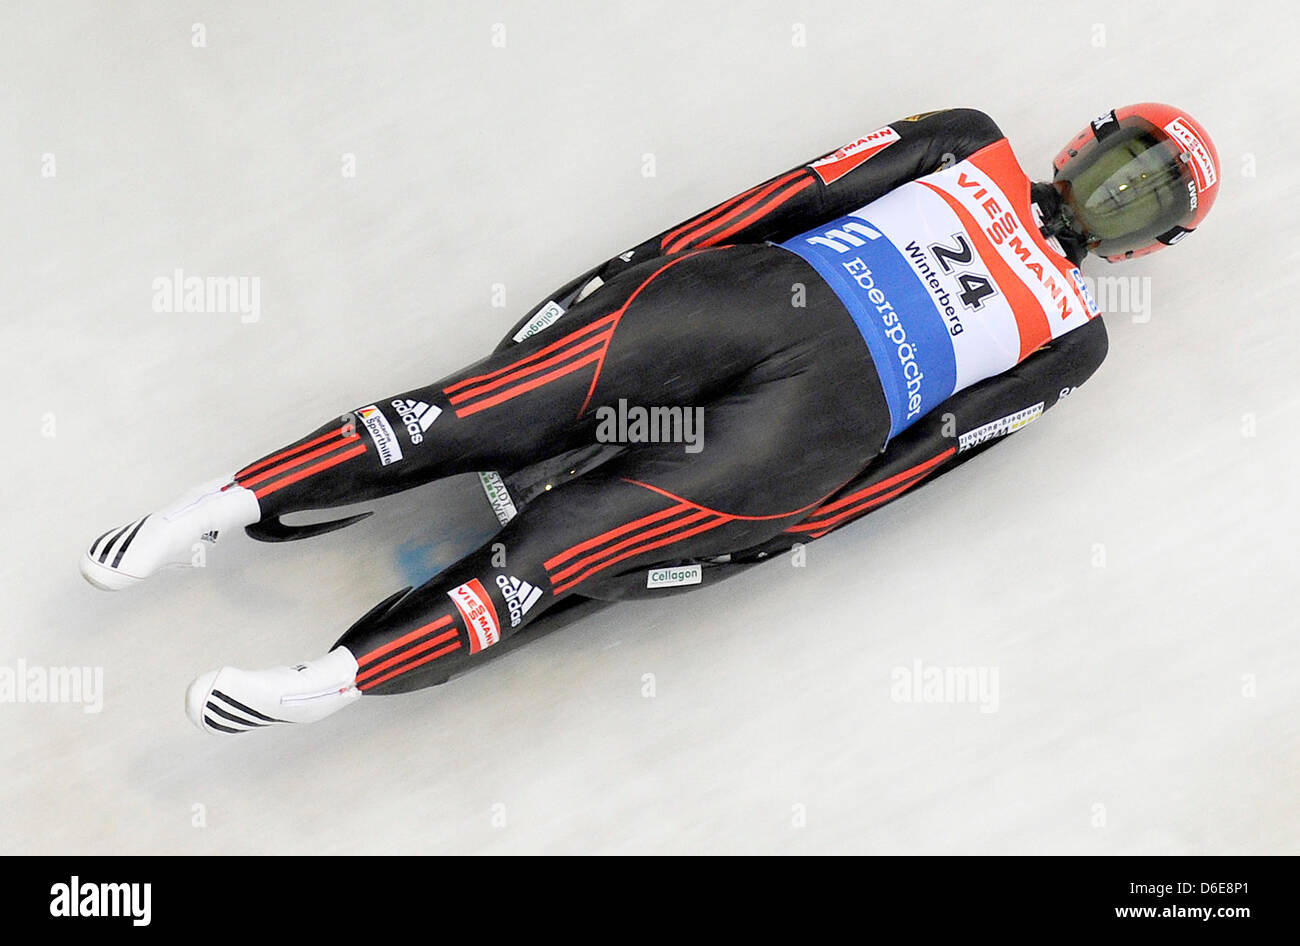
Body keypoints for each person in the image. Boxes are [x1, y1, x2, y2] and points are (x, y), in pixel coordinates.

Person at [80, 103, 1220, 735]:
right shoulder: (966, 140)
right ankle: (216, 506)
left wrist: (804, 520)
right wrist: (647, 268)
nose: (1118, 193)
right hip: (744, 308)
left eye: (1146, 194)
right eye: (1126, 163)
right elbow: (788, 197)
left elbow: (932, 453)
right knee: (490, 408)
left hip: (811, 427)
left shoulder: (1077, 337)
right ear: (1082, 140)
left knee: (569, 546)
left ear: (1147, 243)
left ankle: (329, 679)